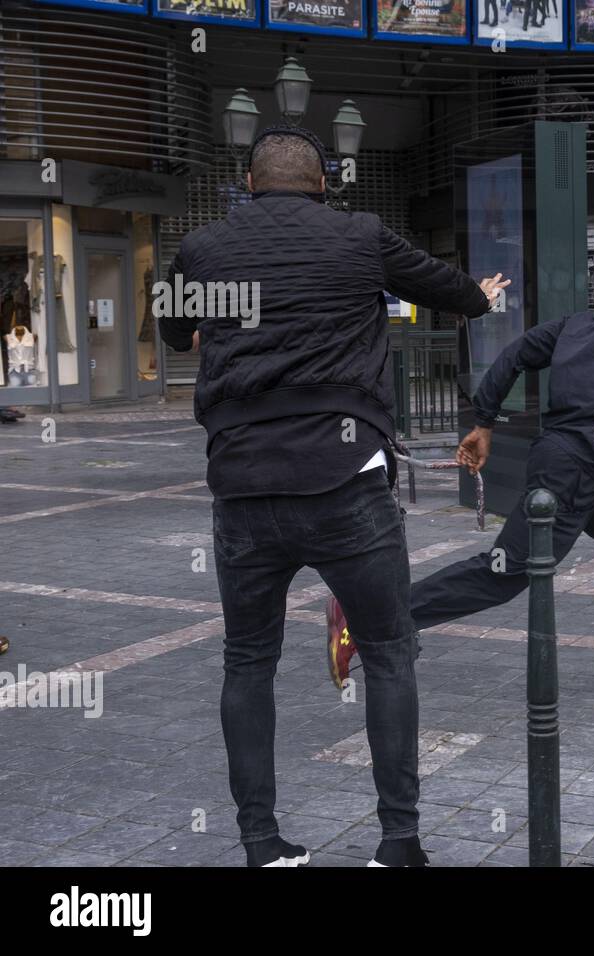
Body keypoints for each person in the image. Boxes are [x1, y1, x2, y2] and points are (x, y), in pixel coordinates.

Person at [159, 126, 508, 869]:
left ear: (248, 184)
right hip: (346, 479)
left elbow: (173, 334)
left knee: (247, 659)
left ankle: (262, 844)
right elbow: (457, 296)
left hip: (243, 485)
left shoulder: (202, 248)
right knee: (387, 651)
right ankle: (398, 841)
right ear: (323, 183)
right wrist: (481, 294)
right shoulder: (361, 236)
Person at [327, 249, 594, 696]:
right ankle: (367, 619)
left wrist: (484, 424)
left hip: (589, 469)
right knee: (507, 572)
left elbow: (513, 356)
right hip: (573, 471)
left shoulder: (581, 323)